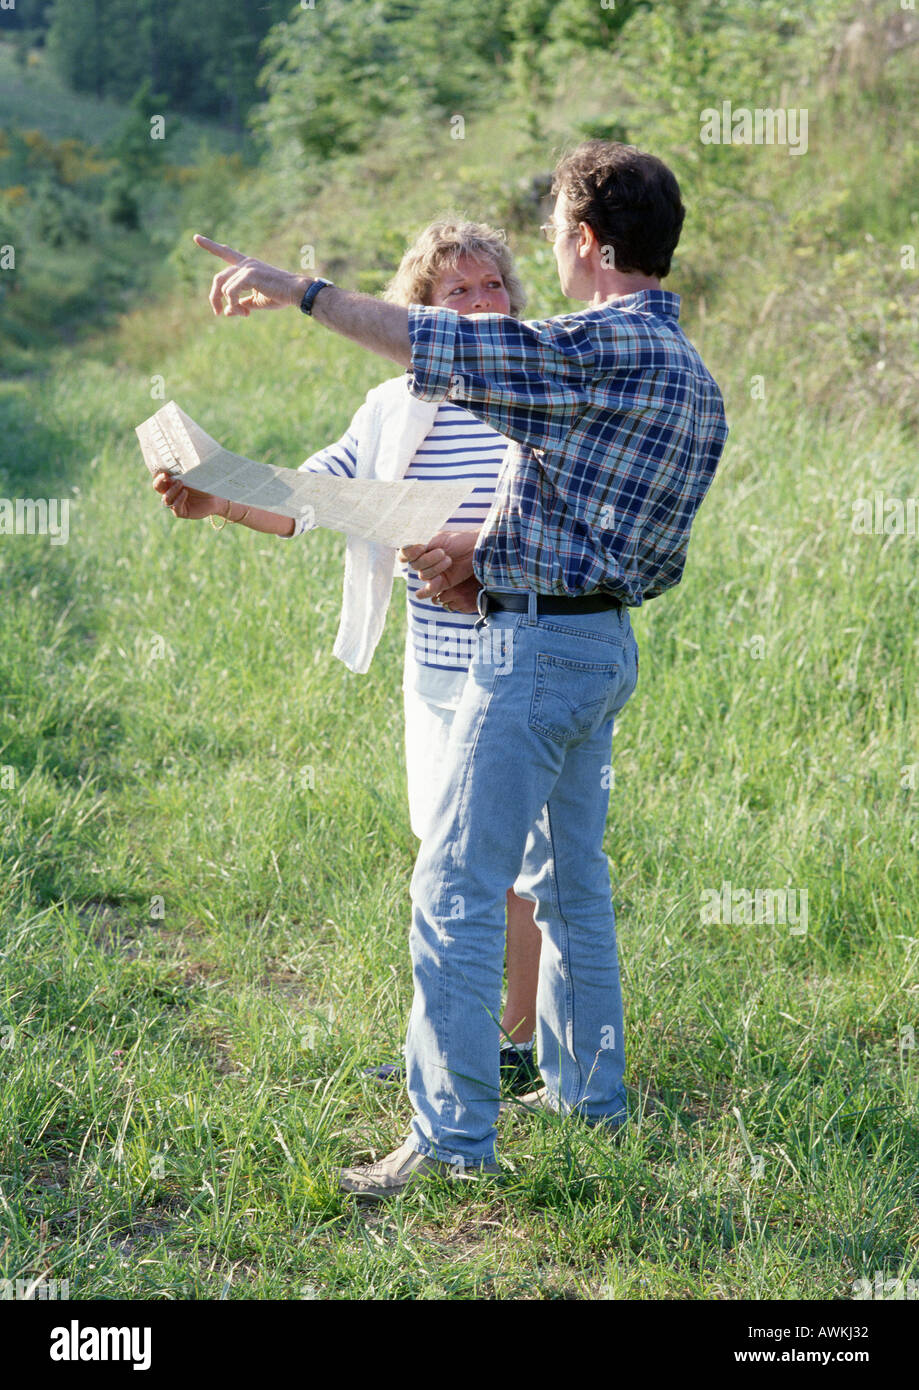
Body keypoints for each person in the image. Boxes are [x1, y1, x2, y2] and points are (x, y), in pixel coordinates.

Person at [187, 138, 730, 1199]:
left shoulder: (580, 352)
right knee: (572, 886)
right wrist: (488, 556)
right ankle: (588, 1095)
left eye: (536, 253)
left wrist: (299, 289)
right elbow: (632, 545)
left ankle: (448, 1140)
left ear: (583, 242)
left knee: (453, 887)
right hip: (598, 643)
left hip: (528, 651)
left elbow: (426, 339)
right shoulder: (691, 380)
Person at [152, 219, 543, 1091]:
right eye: (457, 291)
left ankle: (518, 1050)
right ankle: (457, 1048)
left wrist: (476, 544)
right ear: (418, 315)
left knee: (517, 865)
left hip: (523, 654)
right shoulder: (392, 407)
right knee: (442, 857)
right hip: (437, 669)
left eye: (493, 286)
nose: (482, 303)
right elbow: (307, 500)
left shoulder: (536, 387)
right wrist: (216, 497)